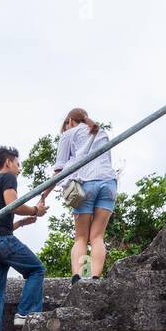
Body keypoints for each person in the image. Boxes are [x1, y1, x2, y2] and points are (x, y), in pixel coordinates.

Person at [0, 145, 48, 331]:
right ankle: (25, 314)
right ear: (8, 162)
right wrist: (35, 209)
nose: (19, 169)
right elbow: (13, 205)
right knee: (36, 270)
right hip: (0, 241)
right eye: (18, 164)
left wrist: (20, 223)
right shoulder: (7, 178)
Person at [52, 107, 118, 284]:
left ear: (70, 122)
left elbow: (59, 169)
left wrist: (44, 195)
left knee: (81, 237)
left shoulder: (69, 134)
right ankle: (95, 278)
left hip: (86, 183)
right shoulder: (101, 131)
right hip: (109, 183)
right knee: (97, 237)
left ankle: (77, 277)